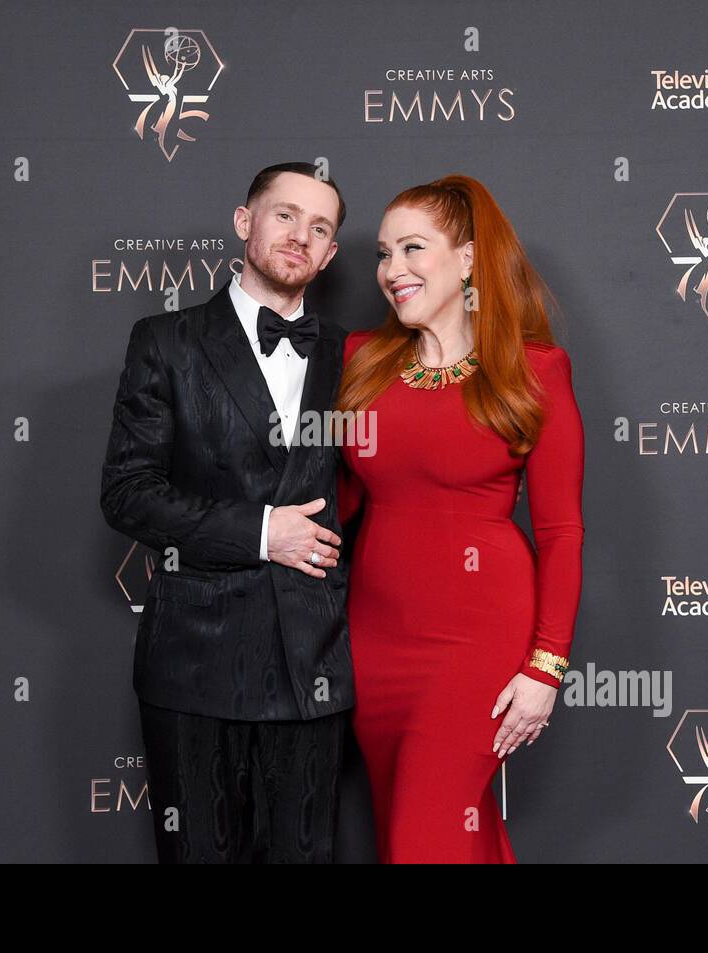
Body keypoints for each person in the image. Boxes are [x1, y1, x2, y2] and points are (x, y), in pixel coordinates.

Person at [100, 162, 354, 863]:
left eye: (320, 227)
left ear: (331, 254)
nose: (299, 235)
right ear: (244, 222)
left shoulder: (357, 358)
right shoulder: (166, 341)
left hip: (317, 665)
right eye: (284, 215)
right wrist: (263, 531)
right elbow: (127, 491)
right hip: (193, 665)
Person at [335, 174, 585, 863]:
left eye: (413, 248)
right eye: (384, 254)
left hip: (476, 646)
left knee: (421, 839)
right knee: (446, 836)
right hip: (374, 644)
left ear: (470, 258)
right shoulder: (362, 360)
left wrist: (545, 666)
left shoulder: (534, 370)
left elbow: (562, 532)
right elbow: (337, 502)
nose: (392, 270)